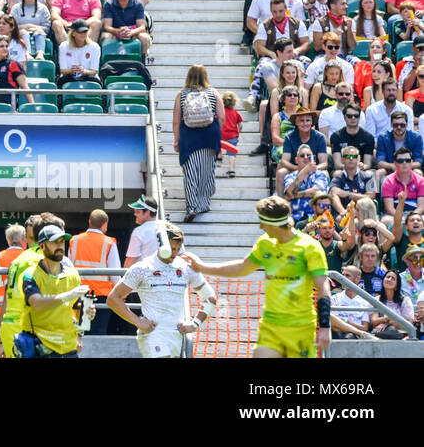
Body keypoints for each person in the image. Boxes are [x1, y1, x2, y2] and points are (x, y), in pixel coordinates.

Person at [183, 195, 330, 358]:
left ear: (274, 225)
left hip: (300, 327)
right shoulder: (265, 243)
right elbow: (242, 268)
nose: (260, 226)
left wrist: (325, 327)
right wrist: (202, 267)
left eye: (263, 222)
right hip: (271, 325)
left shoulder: (310, 247)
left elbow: (324, 289)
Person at [107, 223, 217, 358]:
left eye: (177, 249)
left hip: (175, 337)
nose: (174, 253)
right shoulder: (142, 268)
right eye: (171, 248)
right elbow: (113, 298)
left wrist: (194, 324)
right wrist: (138, 321)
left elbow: (210, 298)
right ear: (161, 244)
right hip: (152, 335)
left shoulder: (186, 268)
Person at [173, 64, 224, 223]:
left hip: (189, 136)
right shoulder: (213, 92)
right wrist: (217, 133)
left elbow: (176, 121)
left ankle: (192, 207)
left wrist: (176, 139)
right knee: (207, 171)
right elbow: (221, 117)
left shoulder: (181, 94)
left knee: (190, 172)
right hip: (210, 135)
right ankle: (203, 203)